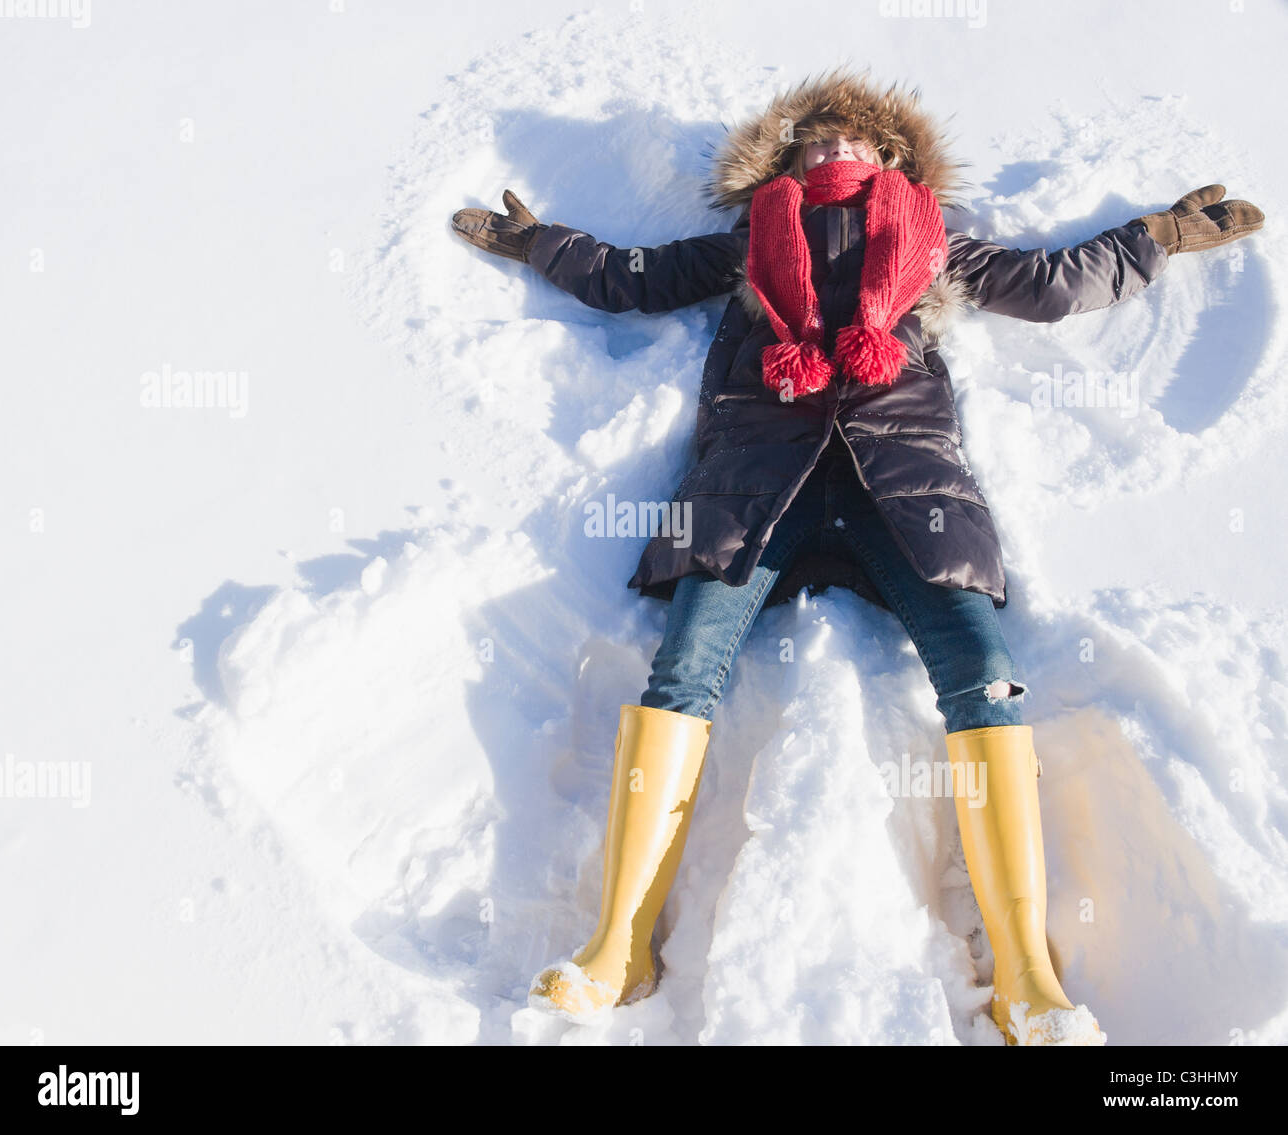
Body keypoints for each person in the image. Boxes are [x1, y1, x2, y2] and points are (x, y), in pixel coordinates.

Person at [451, 67, 1264, 1045]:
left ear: (889, 158)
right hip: (757, 486)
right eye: (813, 143)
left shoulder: (932, 244)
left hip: (904, 490)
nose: (831, 151)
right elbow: (633, 279)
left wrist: (1158, 238)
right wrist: (541, 244)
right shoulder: (750, 242)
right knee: (682, 672)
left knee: (984, 675)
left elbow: (1048, 286)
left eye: (854, 142)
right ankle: (617, 948)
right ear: (786, 163)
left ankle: (1023, 977)